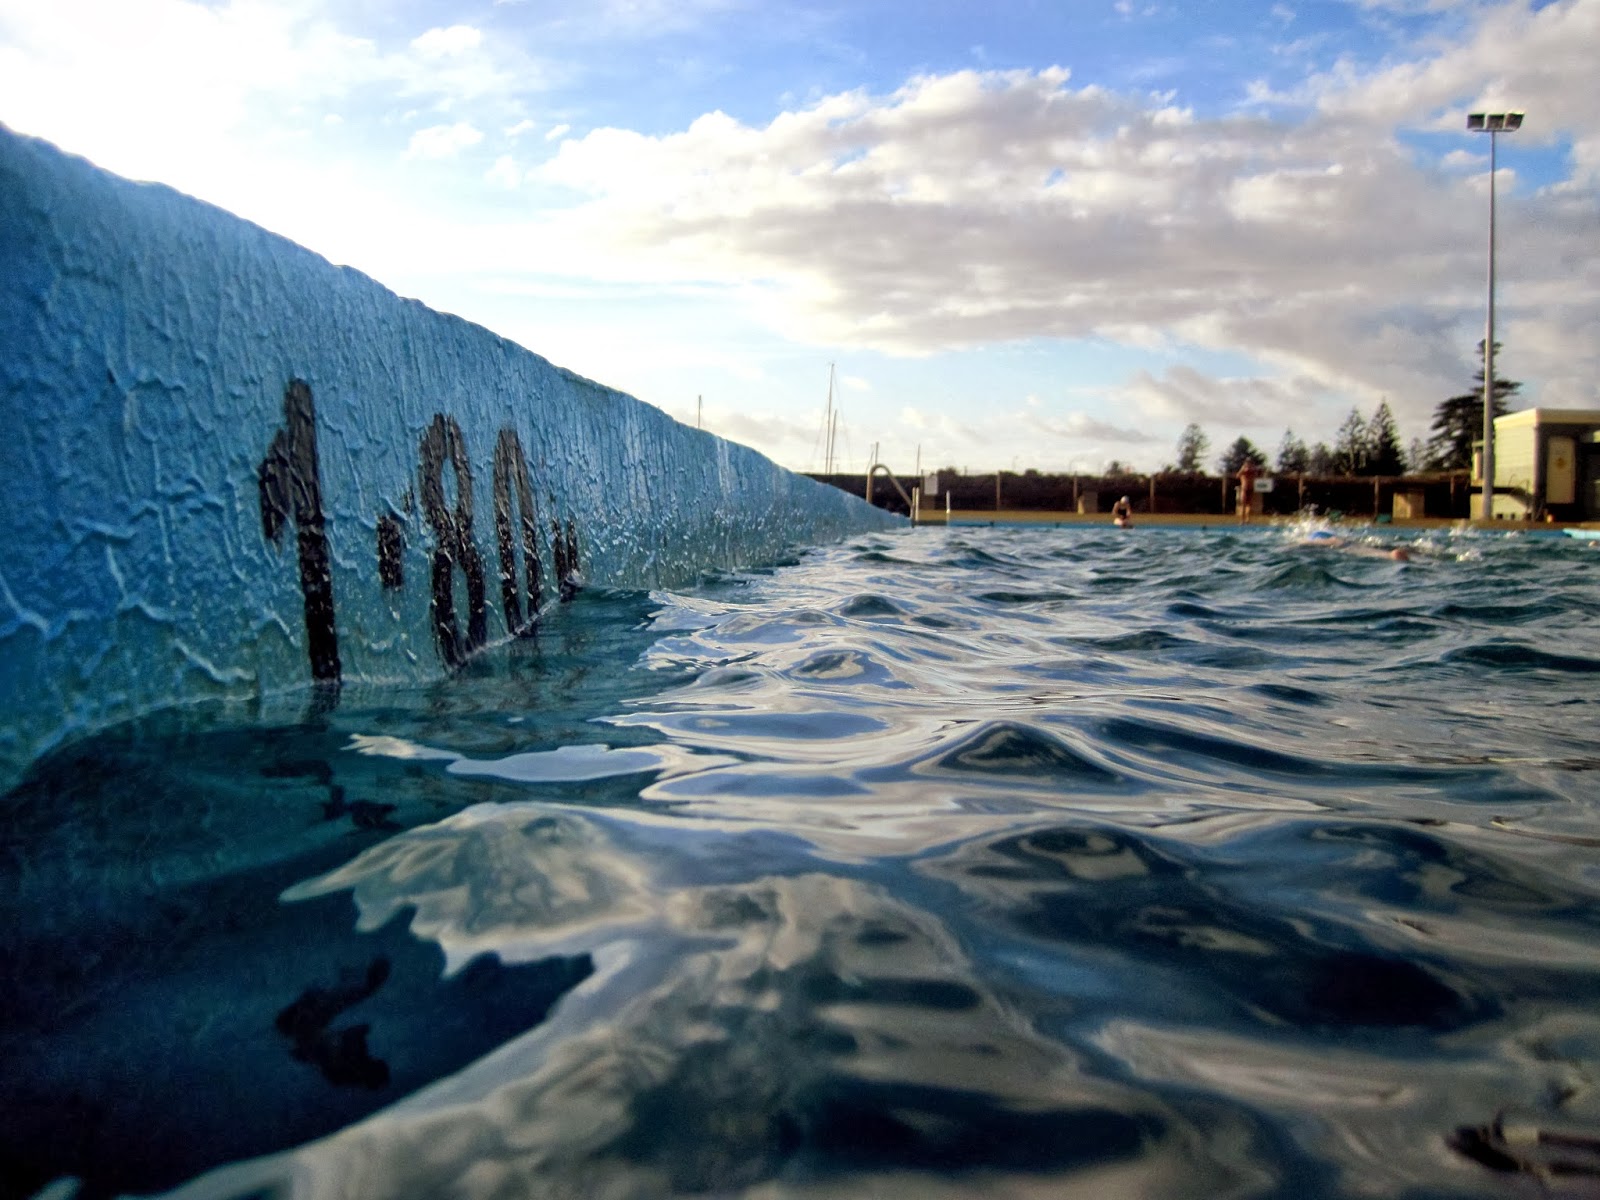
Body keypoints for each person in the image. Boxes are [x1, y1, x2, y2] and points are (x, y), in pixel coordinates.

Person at [1236, 459, 1260, 524]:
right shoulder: (1243, 470)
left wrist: (1253, 470)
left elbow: (1256, 476)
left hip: (1251, 488)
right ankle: (1242, 520)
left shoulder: (1253, 470)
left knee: (1249, 504)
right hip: (1244, 488)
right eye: (1248, 464)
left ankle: (1248, 519)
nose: (1249, 465)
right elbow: (1237, 476)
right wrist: (1243, 471)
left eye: (1250, 464)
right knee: (1243, 504)